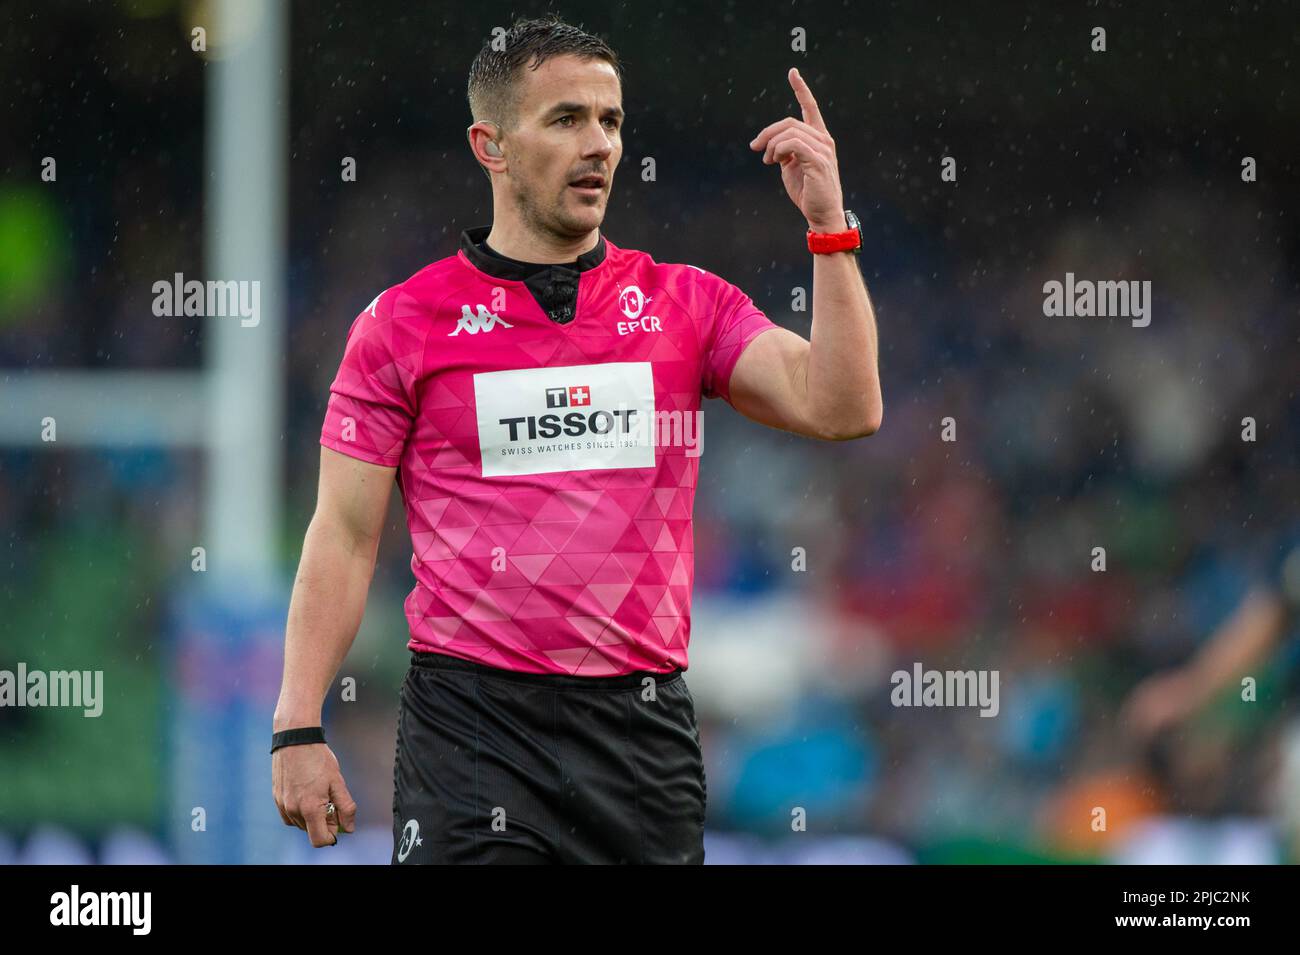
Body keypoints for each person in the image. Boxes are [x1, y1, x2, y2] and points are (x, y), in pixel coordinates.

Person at [271, 15, 881, 864]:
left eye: (612, 120)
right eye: (566, 119)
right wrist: (297, 723)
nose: (599, 144)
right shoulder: (401, 326)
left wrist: (829, 227)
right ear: (492, 145)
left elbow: (842, 405)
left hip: (638, 737)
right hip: (472, 729)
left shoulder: (684, 304)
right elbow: (342, 533)